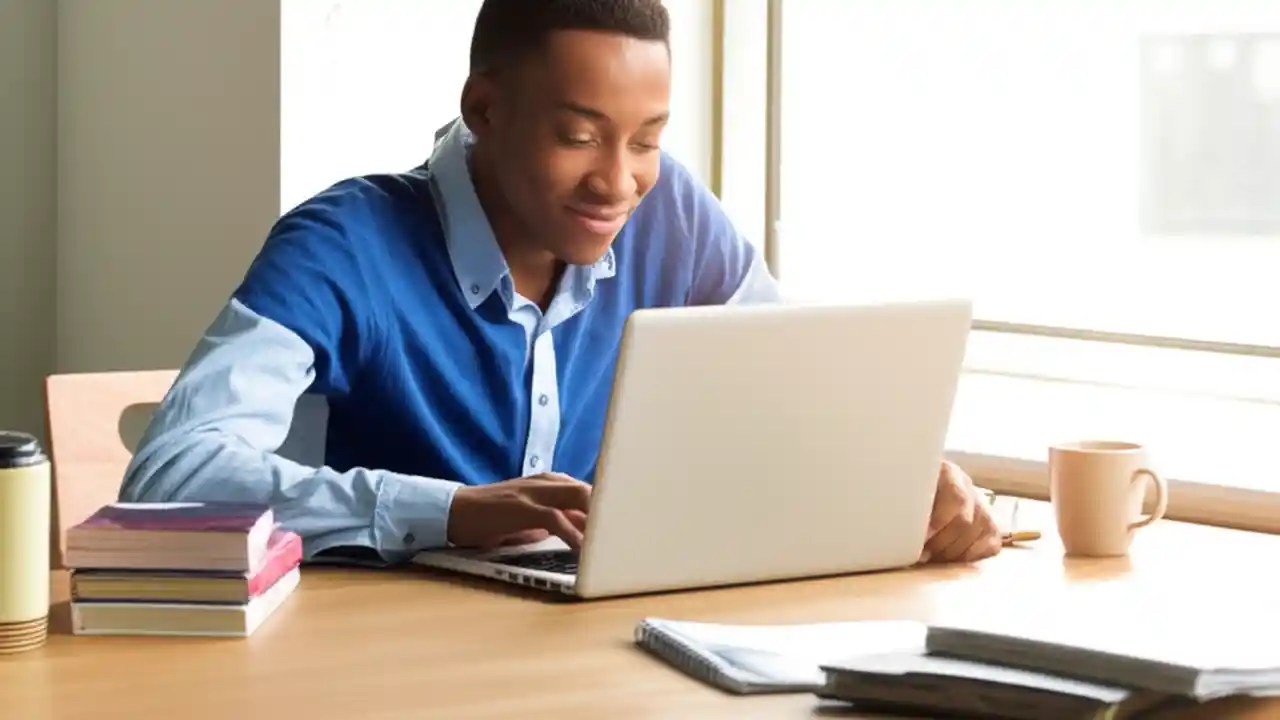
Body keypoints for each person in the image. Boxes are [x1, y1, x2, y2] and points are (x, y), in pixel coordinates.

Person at [120, 0, 1001, 567]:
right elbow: (169, 478)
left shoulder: (674, 219)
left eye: (647, 139)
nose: (618, 182)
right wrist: (452, 511)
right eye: (580, 136)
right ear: (485, 109)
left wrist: (910, 476)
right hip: (375, 669)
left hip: (591, 653)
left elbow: (799, 395)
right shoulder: (344, 244)